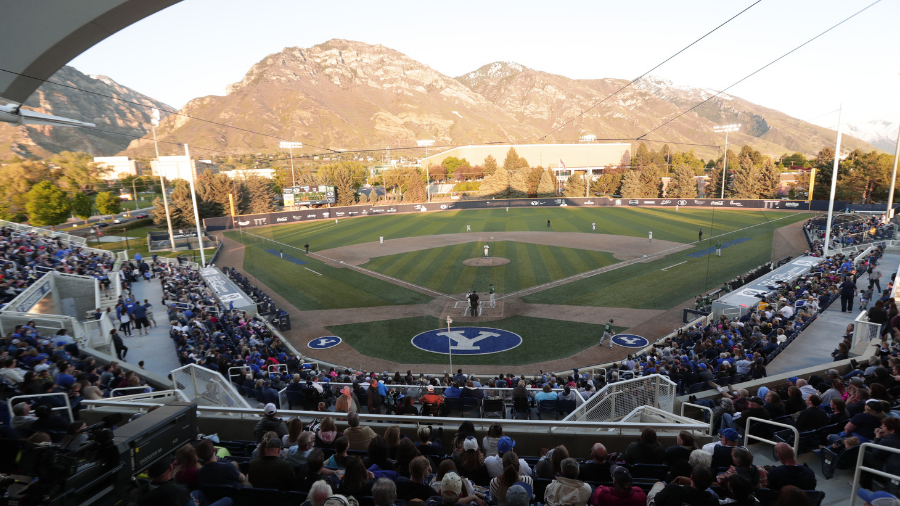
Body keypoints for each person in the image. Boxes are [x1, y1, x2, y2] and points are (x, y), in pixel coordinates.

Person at [652, 466, 718, 506]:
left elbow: (657, 500)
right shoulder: (713, 500)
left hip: (659, 497)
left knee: (659, 484)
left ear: (691, 477)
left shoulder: (673, 489)